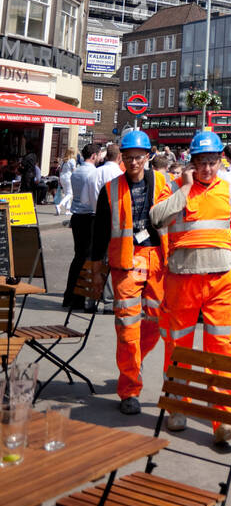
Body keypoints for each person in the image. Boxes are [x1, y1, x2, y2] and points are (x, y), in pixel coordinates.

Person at [149, 129, 231, 444]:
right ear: (192, 163)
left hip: (220, 279)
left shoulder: (229, 191)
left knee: (222, 349)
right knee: (178, 349)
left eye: (212, 162)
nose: (207, 168)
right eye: (201, 162)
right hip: (182, 278)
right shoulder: (175, 188)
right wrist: (185, 188)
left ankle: (223, 419)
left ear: (220, 162)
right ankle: (178, 409)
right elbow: (156, 217)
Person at [89, 130, 171, 414]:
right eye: (128, 157)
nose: (133, 162)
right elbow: (99, 234)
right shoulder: (110, 189)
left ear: (147, 157)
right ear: (121, 158)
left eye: (138, 157)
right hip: (125, 262)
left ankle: (136, 360)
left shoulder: (163, 184)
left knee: (155, 322)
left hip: (156, 260)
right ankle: (129, 390)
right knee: (126, 327)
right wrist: (97, 270)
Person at [62, 144, 101, 308]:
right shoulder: (93, 172)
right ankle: (79, 297)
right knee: (87, 257)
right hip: (89, 216)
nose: (100, 158)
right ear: (93, 156)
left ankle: (69, 295)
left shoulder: (76, 171)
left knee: (78, 256)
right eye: (98, 155)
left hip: (76, 216)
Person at [56, 147, 77, 221]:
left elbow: (60, 170)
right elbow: (74, 170)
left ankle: (68, 210)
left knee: (67, 193)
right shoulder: (72, 160)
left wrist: (59, 179)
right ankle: (59, 205)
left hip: (62, 177)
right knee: (70, 194)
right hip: (69, 177)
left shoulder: (63, 161)